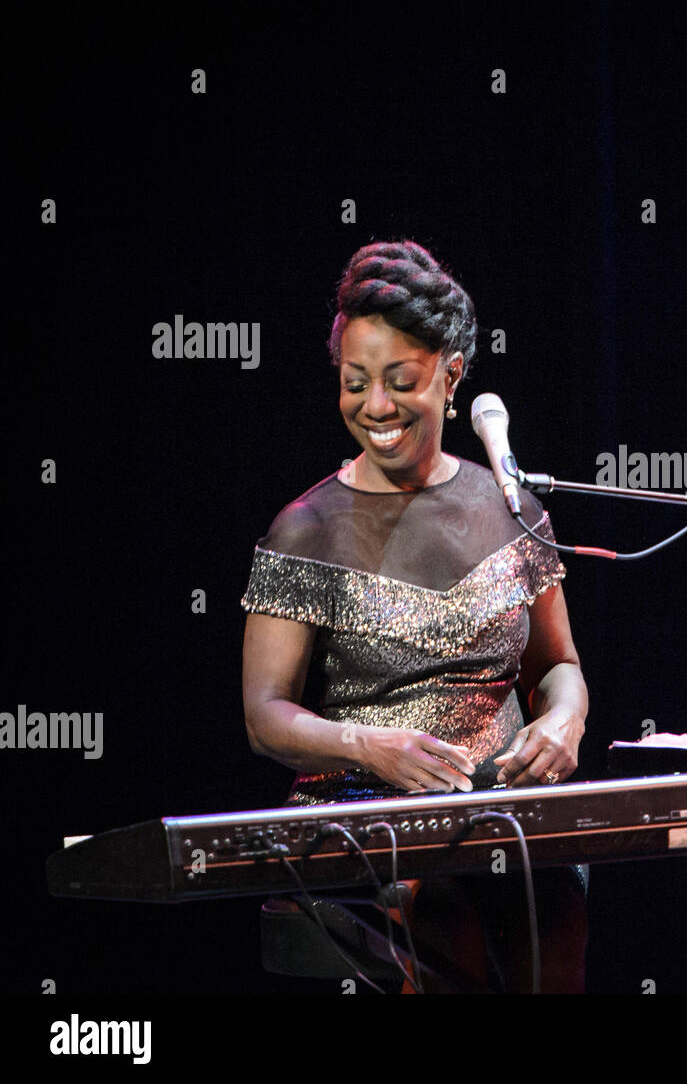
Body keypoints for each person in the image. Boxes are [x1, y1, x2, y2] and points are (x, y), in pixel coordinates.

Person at [240, 240, 588, 992]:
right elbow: (265, 716)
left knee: (548, 901)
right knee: (441, 917)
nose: (375, 407)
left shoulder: (512, 509)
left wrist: (565, 721)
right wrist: (371, 747)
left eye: (400, 381)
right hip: (359, 830)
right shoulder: (307, 527)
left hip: (508, 829)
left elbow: (558, 667)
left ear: (452, 374)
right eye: (353, 382)